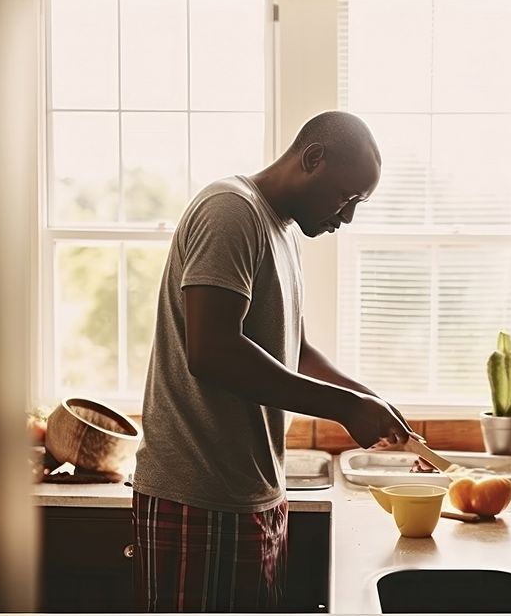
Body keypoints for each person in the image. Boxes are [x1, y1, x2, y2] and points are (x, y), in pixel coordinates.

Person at [131, 111, 418, 613]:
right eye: (346, 198)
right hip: (199, 495)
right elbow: (213, 351)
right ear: (312, 159)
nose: (347, 218)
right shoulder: (231, 212)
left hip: (253, 495)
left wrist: (367, 399)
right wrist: (345, 408)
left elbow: (297, 352)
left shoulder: (281, 229)